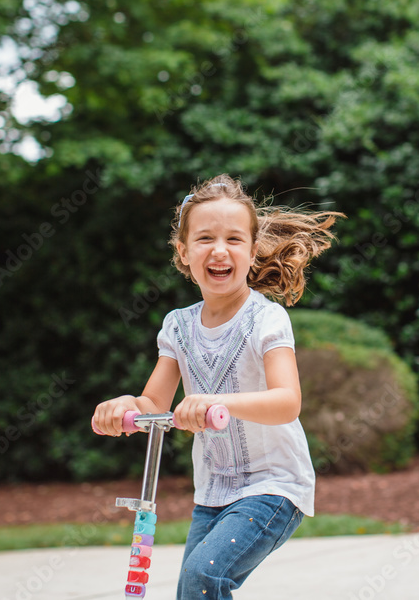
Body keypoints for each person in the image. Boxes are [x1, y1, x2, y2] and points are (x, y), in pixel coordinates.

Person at [92, 173, 342, 599]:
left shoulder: (266, 319)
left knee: (203, 579)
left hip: (274, 485)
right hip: (213, 490)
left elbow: (287, 402)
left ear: (251, 250)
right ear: (183, 252)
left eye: (234, 239)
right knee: (194, 590)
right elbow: (153, 401)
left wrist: (215, 401)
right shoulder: (178, 326)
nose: (219, 250)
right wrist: (122, 407)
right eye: (205, 238)